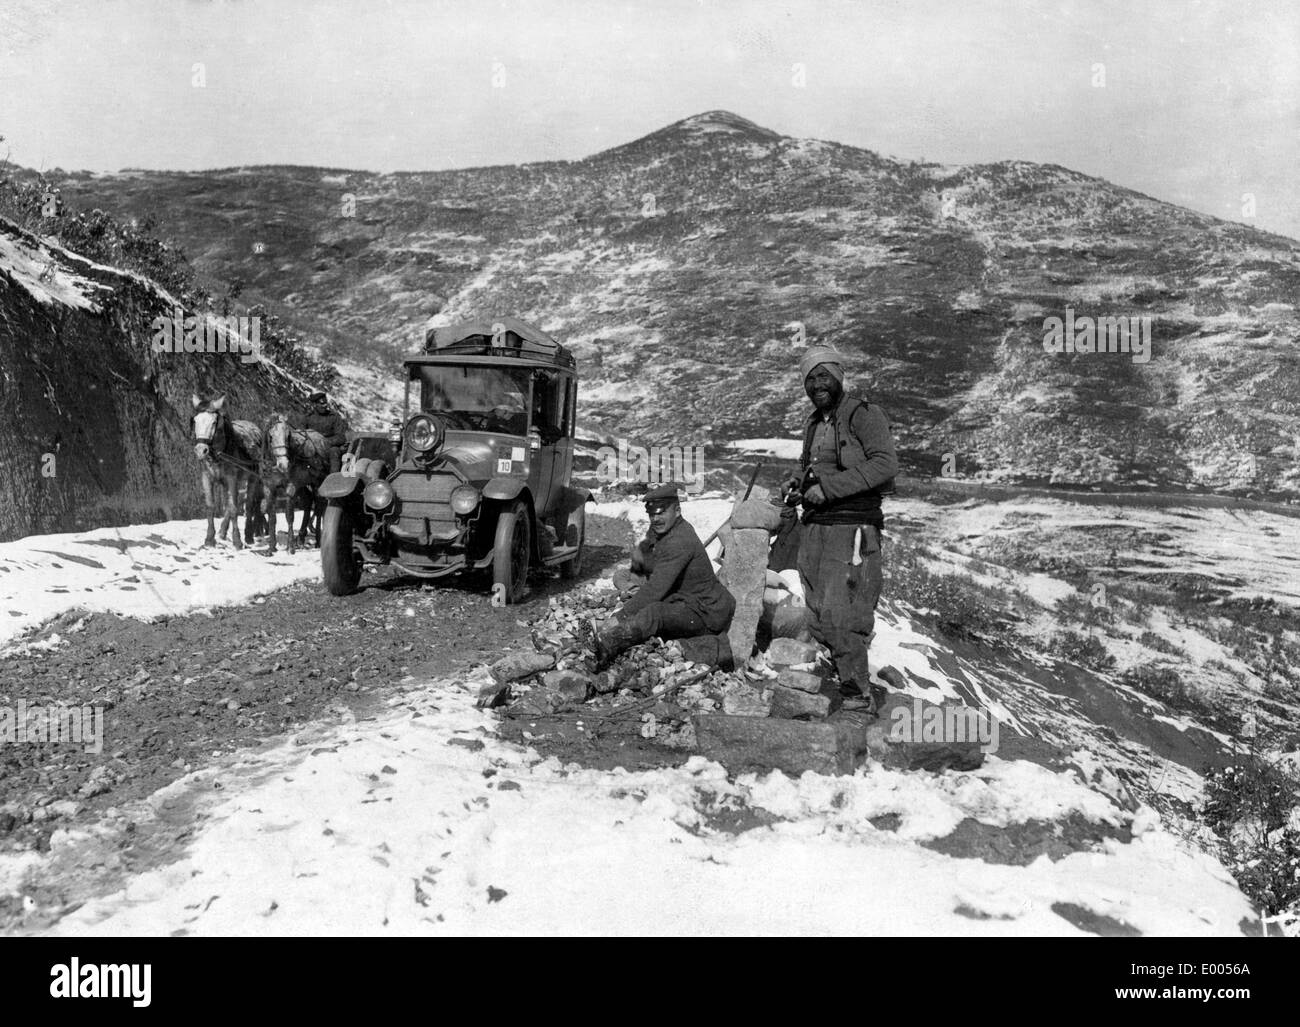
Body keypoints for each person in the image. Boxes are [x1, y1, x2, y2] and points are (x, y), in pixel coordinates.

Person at [783, 345, 898, 711]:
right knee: (817, 609)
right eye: (810, 378)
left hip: (850, 528)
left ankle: (857, 699)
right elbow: (811, 468)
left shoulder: (864, 415)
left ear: (839, 376)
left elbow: (884, 464)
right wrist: (796, 483)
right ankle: (845, 677)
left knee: (842, 611)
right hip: (816, 524)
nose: (818, 384)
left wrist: (828, 489)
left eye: (824, 375)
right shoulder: (814, 423)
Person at [590, 484, 736, 671]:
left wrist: (620, 617)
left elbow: (656, 589)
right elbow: (651, 566)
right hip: (683, 599)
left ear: (677, 510)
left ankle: (606, 644)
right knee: (625, 578)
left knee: (654, 612)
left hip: (704, 612)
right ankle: (611, 631)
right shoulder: (667, 530)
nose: (656, 519)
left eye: (661, 513)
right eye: (652, 514)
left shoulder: (680, 539)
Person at [297, 391, 349, 473]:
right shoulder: (308, 418)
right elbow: (300, 434)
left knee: (334, 452)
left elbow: (341, 437)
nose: (325, 406)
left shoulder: (333, 417)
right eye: (322, 404)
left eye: (325, 403)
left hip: (329, 447)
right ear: (315, 405)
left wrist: (325, 441)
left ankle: (333, 479)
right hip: (311, 448)